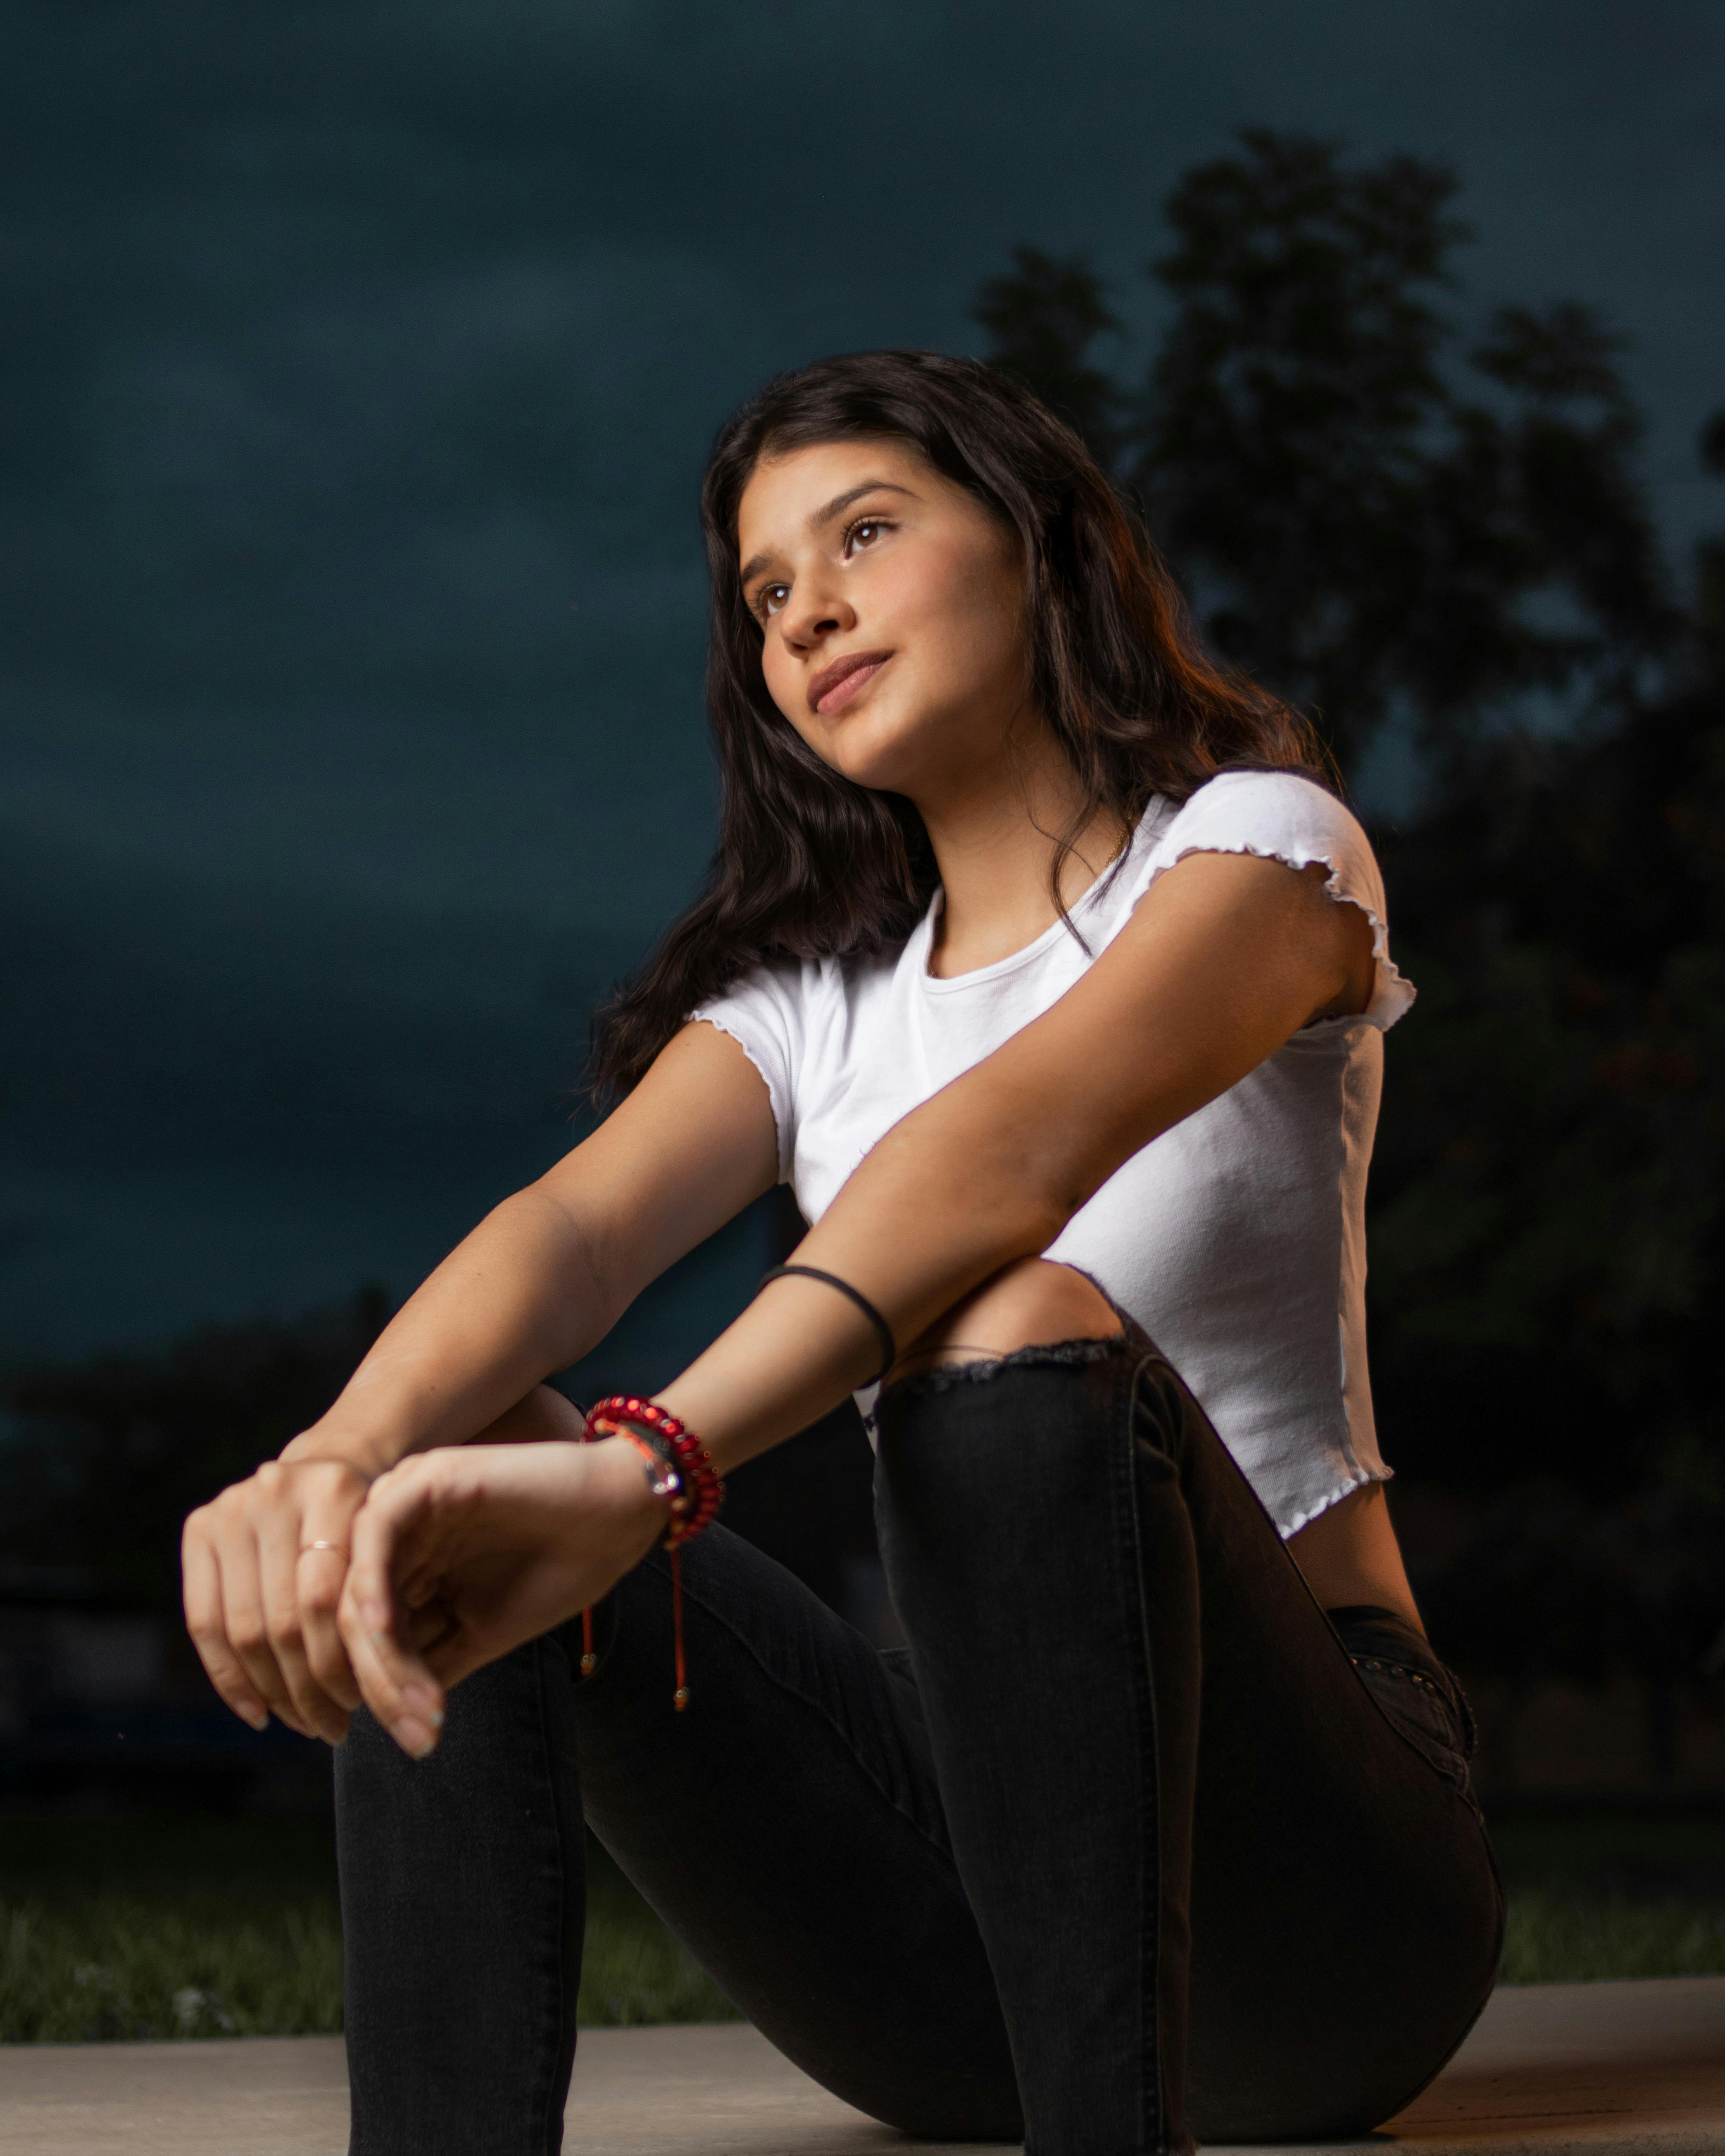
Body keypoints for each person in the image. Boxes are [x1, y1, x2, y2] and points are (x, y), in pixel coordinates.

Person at [182, 351, 1502, 2156]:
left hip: (1323, 1915)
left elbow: (1007, 1151)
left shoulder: (1259, 847)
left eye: (863, 533)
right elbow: (569, 1228)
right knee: (441, 1468)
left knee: (1008, 1313)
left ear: (1039, 540)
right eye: (767, 593)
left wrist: (648, 1466)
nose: (810, 613)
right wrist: (330, 1460)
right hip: (959, 1948)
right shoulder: (811, 1008)